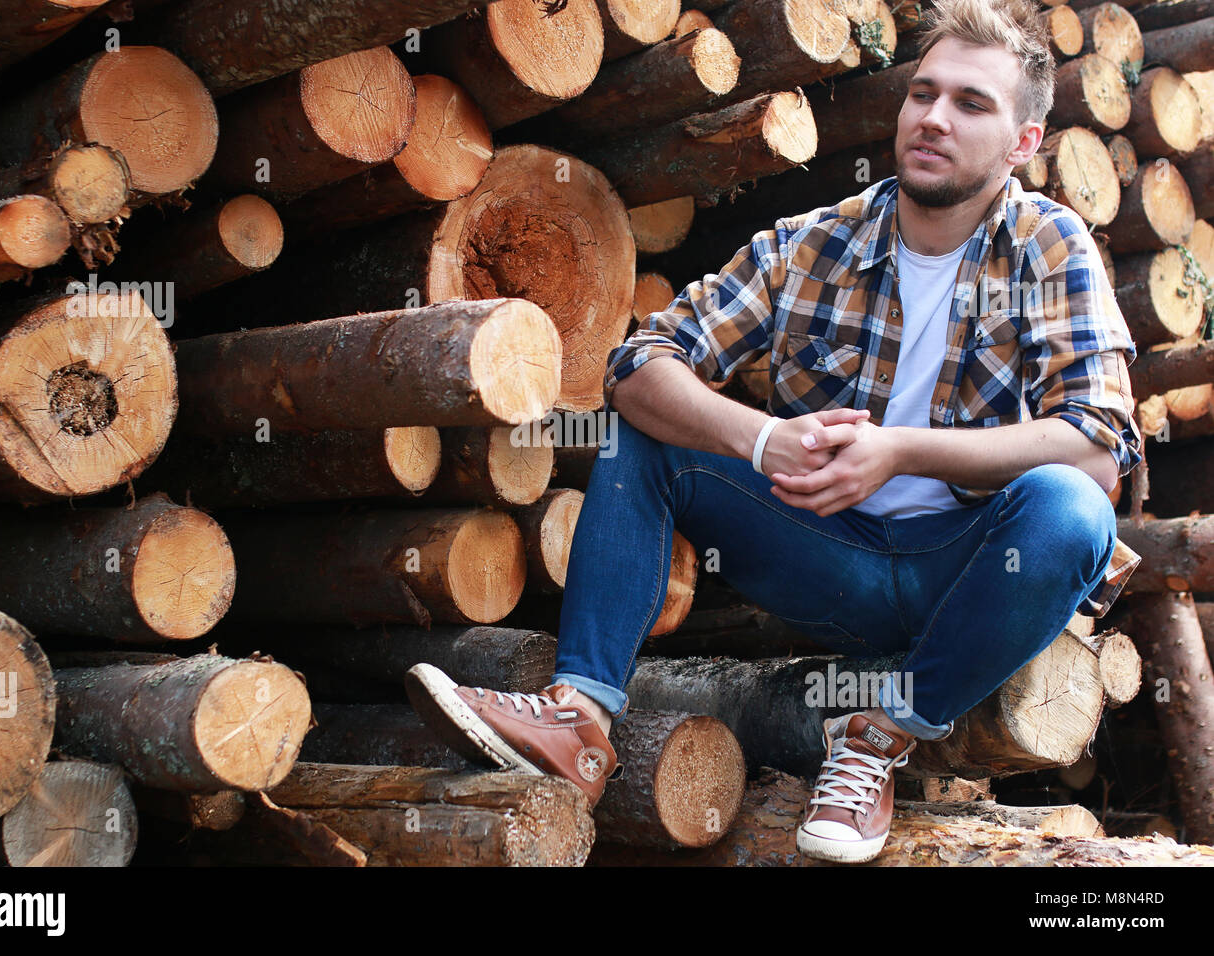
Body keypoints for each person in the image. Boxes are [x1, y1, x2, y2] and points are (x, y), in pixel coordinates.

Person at [405, 0, 1143, 864]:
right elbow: (639, 363)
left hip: (970, 577)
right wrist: (761, 440)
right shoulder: (814, 244)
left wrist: (900, 452)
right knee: (643, 431)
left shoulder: (1047, 244)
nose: (934, 117)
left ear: (1023, 143)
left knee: (1070, 508)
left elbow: (1098, 444)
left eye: (972, 104)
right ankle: (580, 721)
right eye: (923, 93)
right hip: (826, 557)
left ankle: (876, 735)